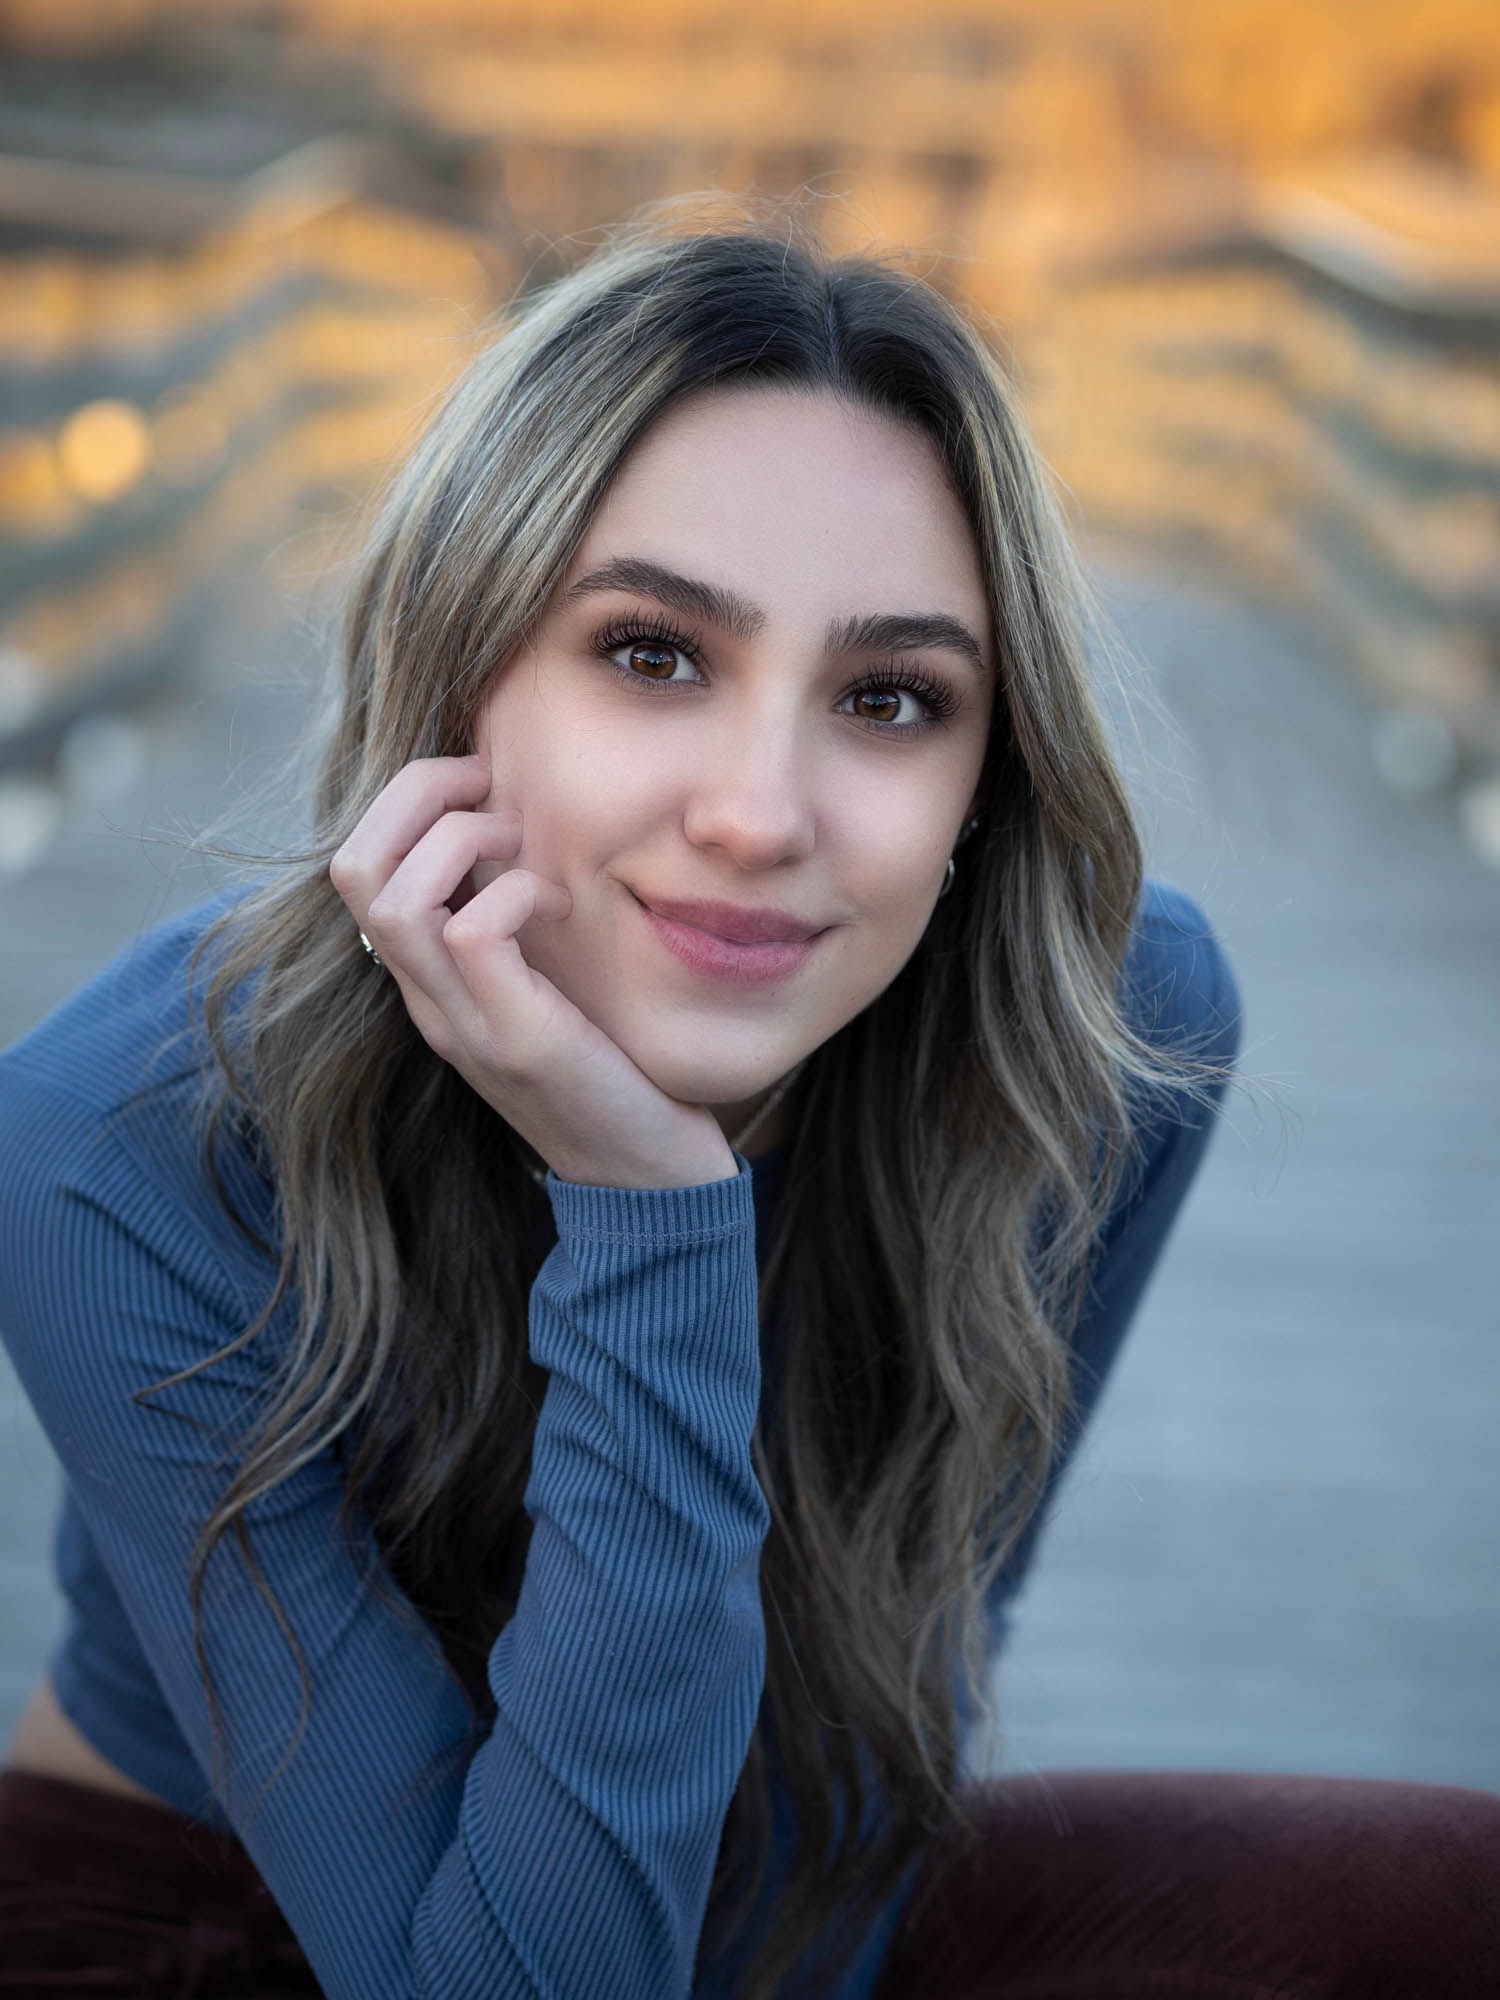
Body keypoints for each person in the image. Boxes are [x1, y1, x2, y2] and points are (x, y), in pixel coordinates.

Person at [0, 197, 1494, 2000]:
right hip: (194, 1902)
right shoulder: (124, 1134)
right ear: (460, 671)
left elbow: (891, 1709)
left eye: (889, 698)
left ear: (982, 777)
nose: (761, 814)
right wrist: (645, 1215)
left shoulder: (1100, 1040)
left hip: (746, 1885)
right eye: (652, 654)